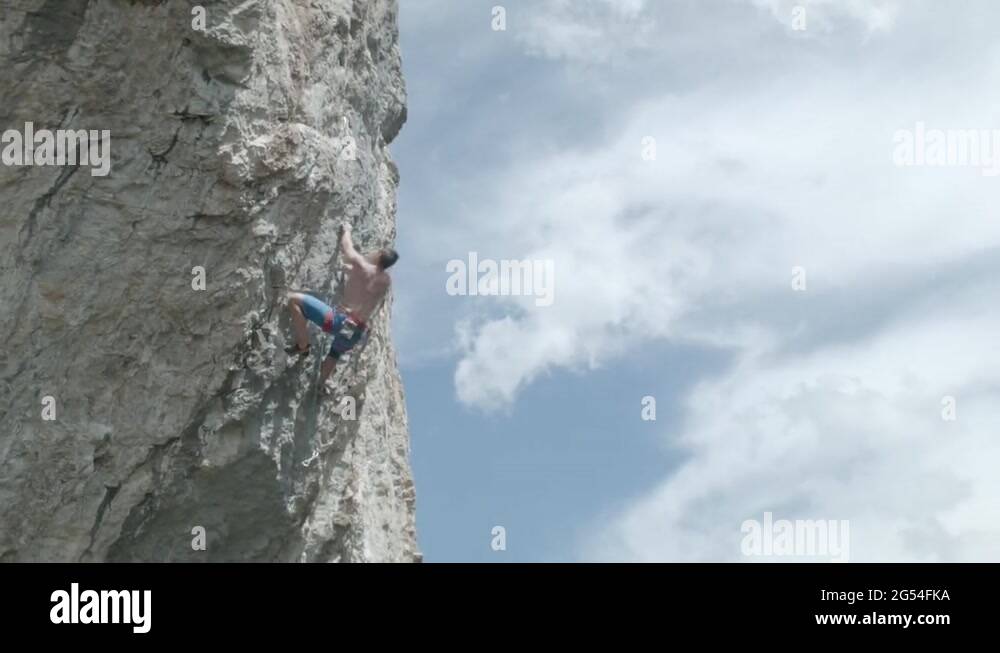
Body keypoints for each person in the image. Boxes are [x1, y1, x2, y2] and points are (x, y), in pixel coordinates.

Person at [286, 222, 397, 393]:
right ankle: (320, 384)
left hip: (340, 321)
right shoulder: (386, 282)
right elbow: (367, 287)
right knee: (334, 354)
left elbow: (348, 248)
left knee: (293, 299)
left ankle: (303, 345)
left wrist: (347, 229)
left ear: (380, 254)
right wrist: (351, 271)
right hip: (356, 332)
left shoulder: (363, 266)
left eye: (377, 252)